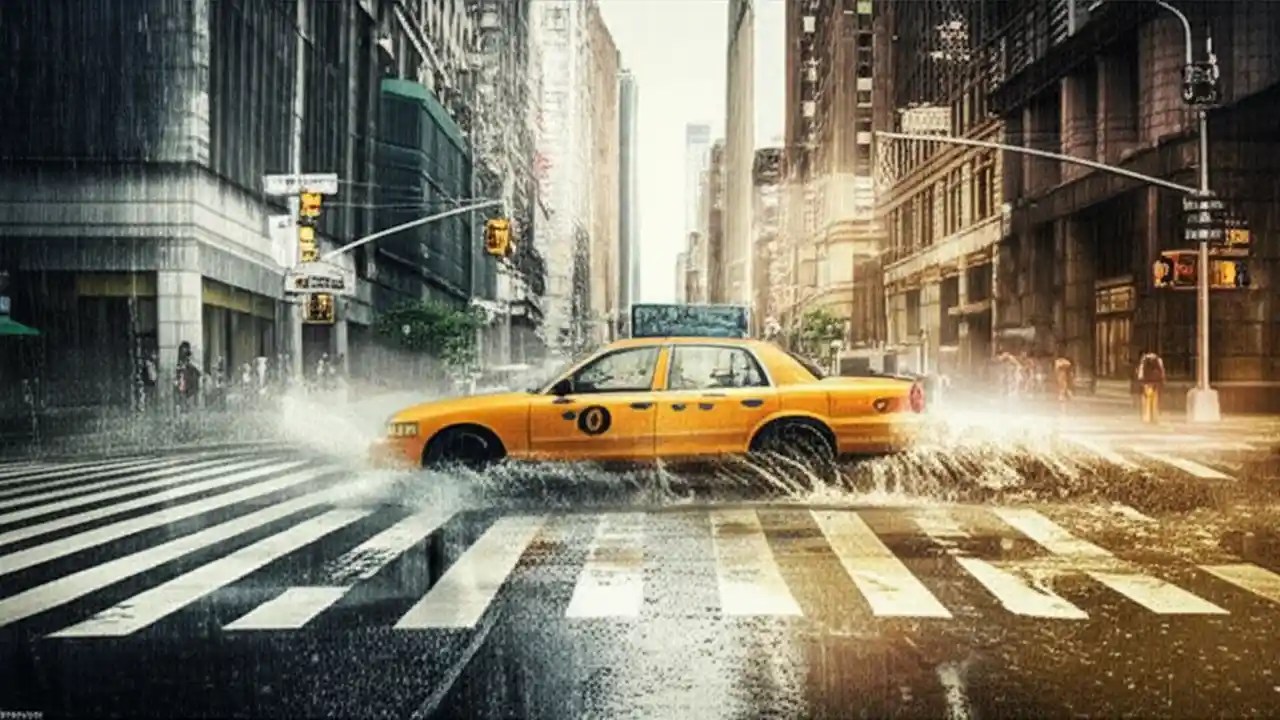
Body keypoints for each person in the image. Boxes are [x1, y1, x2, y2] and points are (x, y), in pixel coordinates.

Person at [1136, 350, 1166, 424]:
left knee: (1147, 399)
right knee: (1155, 400)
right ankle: (1154, 416)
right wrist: (1162, 380)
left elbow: (1140, 373)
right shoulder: (1158, 360)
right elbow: (1162, 372)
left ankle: (1147, 417)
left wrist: (1141, 381)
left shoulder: (1144, 360)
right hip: (1156, 382)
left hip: (1147, 382)